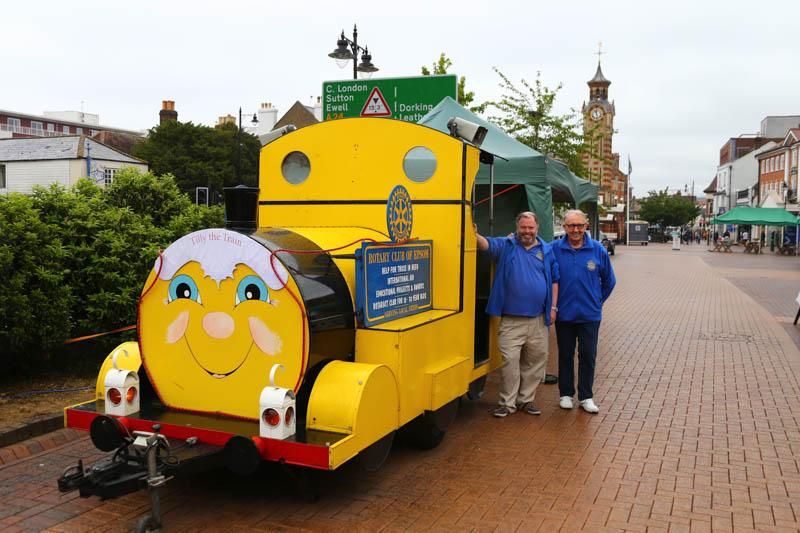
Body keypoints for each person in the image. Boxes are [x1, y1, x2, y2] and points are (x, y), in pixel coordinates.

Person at [475, 212, 559, 418]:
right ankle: (507, 403)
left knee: (535, 363)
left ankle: (526, 400)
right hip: (511, 320)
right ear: (517, 227)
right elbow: (486, 245)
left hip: (538, 319)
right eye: (523, 227)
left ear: (537, 228)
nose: (527, 231)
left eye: (530, 228)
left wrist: (553, 308)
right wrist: (472, 233)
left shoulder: (547, 250)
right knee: (509, 362)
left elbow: (555, 280)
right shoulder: (507, 245)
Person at [551, 209, 616, 414]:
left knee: (588, 355)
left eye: (579, 225)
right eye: (571, 225)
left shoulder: (597, 249)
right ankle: (566, 394)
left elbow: (609, 280)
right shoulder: (554, 249)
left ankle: (586, 396)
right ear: (565, 227)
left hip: (590, 315)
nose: (576, 230)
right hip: (564, 314)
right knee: (565, 354)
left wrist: (597, 301)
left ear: (586, 226)